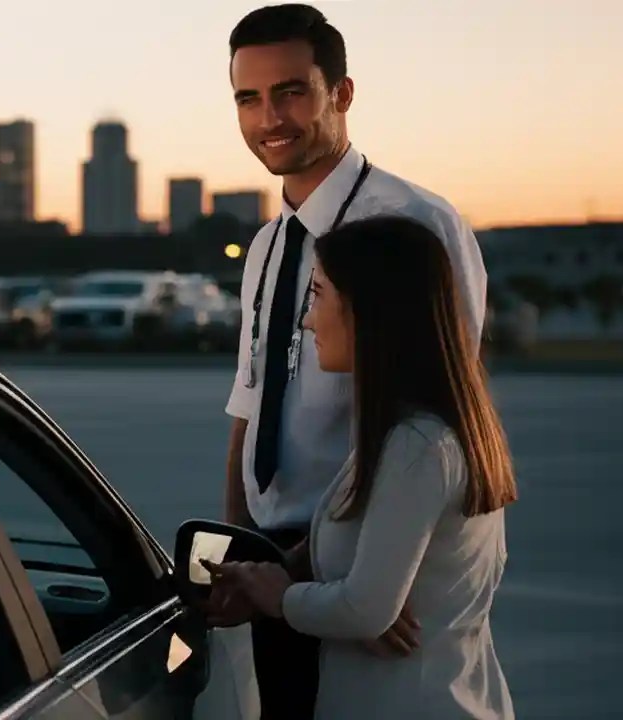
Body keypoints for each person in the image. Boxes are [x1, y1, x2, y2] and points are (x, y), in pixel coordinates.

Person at [220, 4, 488, 717]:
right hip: (281, 572)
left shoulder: (412, 226)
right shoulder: (270, 246)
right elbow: (249, 410)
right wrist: (241, 561)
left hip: (349, 568)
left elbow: (438, 411)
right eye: (249, 98)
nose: (268, 117)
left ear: (341, 93)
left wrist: (350, 580)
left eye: (292, 91)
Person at [205, 215, 517, 718]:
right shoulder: (423, 432)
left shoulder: (416, 446)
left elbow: (368, 610)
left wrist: (283, 597)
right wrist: (276, 576)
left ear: (369, 311)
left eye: (319, 295)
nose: (307, 320)